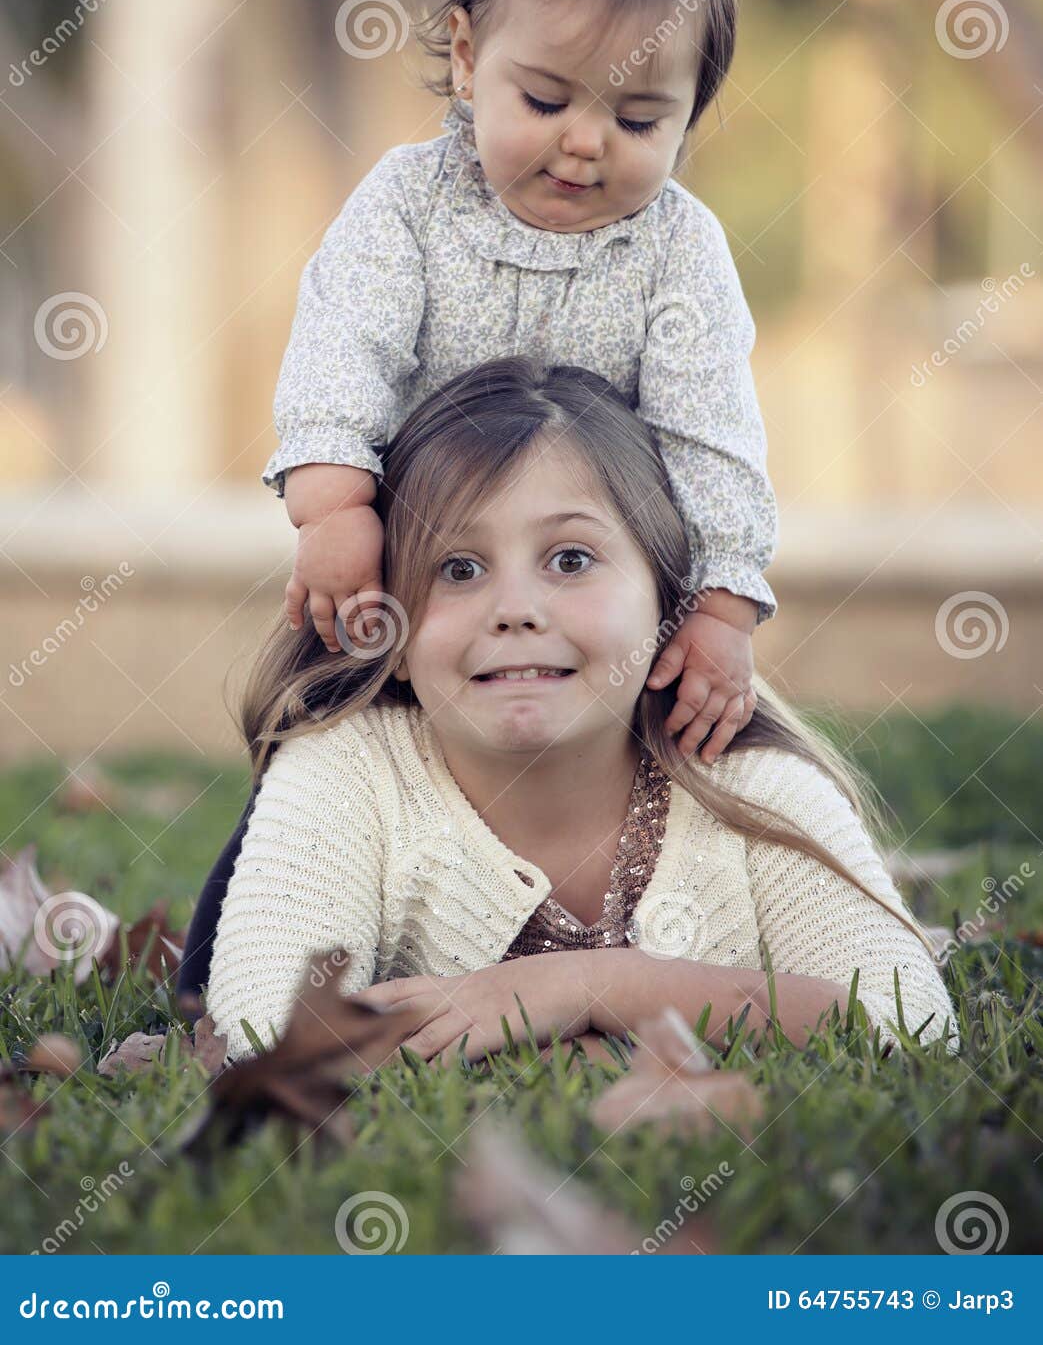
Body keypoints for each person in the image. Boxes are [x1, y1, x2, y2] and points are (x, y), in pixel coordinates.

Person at [195, 356, 959, 1068]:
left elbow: (910, 1022)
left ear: (670, 599)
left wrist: (592, 989)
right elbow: (264, 1031)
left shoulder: (744, 779)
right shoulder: (349, 771)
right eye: (457, 569)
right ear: (384, 629)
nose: (516, 610)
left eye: (569, 560)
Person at [265, 0, 778, 772]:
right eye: (545, 100)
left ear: (689, 112)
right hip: (411, 586)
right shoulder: (412, 203)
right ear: (467, 60)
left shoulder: (676, 247)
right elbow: (344, 343)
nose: (585, 144)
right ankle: (272, 894)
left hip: (596, 613)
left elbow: (713, 433)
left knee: (725, 753)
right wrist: (334, 508)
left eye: (637, 122)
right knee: (328, 755)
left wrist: (721, 607)